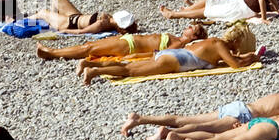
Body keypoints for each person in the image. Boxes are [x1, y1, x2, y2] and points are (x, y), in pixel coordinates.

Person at [119, 90, 279, 140]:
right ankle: (168, 133)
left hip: (238, 106)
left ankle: (141, 119)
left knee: (185, 119)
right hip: (244, 115)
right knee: (206, 129)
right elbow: (276, 123)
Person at [78, 33, 259, 86]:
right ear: (237, 42)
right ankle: (95, 71)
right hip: (176, 61)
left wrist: (240, 57)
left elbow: (223, 60)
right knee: (129, 71)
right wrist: (252, 58)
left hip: (172, 55)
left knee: (127, 65)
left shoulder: (212, 41)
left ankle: (89, 63)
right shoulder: (220, 46)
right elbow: (235, 65)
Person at [37, 22, 206, 62]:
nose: (188, 26)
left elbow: (160, 54)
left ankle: (52, 53)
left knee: (88, 48)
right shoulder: (176, 38)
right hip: (127, 40)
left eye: (192, 27)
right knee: (89, 45)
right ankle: (53, 52)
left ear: (194, 36)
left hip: (129, 46)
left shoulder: (179, 44)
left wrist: (135, 57)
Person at [28, 0, 136, 35]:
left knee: (43, 13)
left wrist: (63, 31)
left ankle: (21, 21)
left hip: (67, 24)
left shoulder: (101, 24)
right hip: (75, 16)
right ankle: (52, 19)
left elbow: (81, 32)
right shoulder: (108, 19)